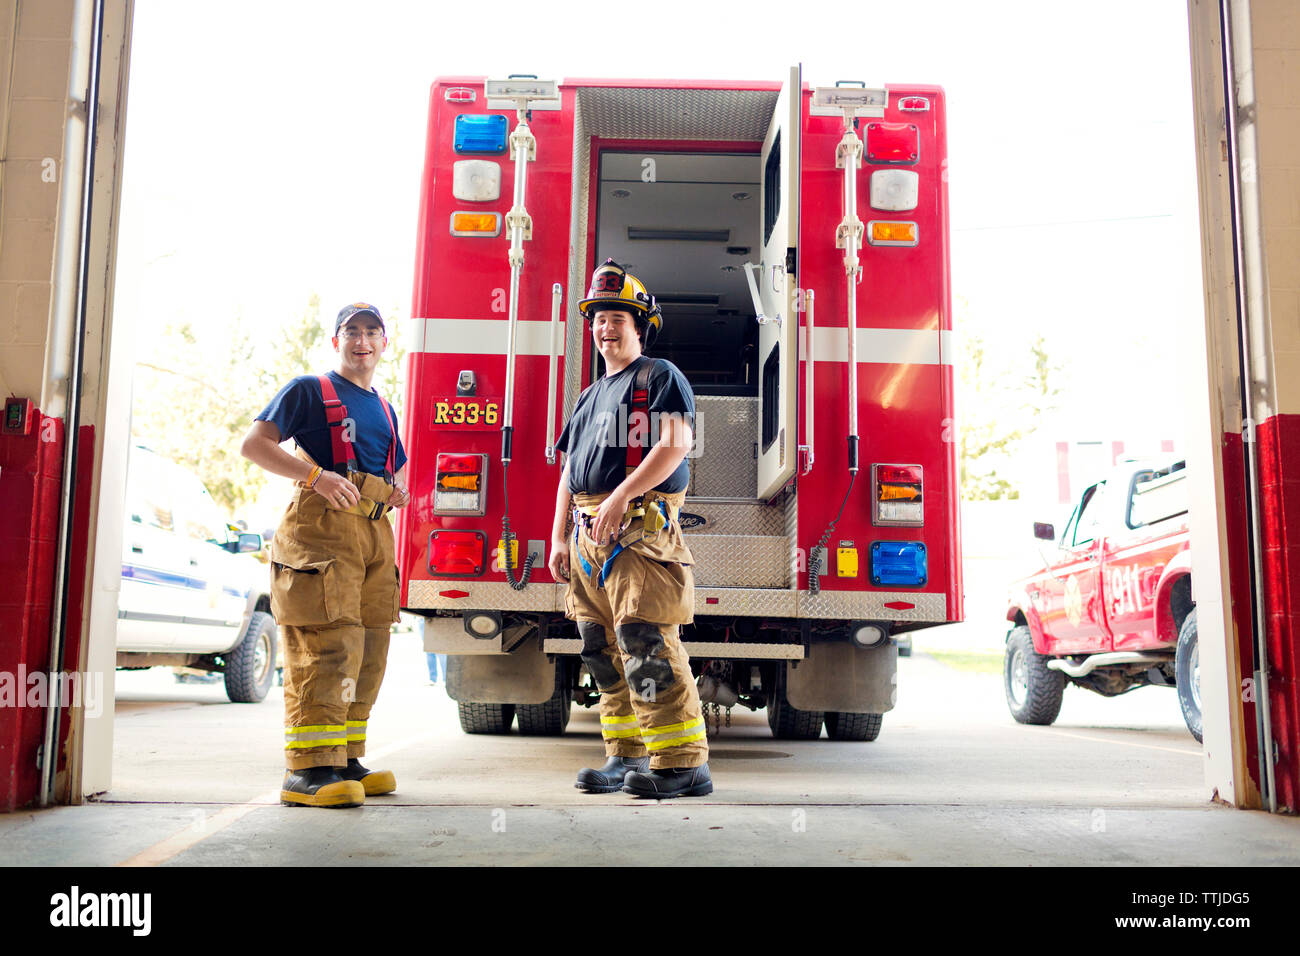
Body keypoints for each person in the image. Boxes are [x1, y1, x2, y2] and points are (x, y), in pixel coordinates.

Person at [548, 259, 712, 799]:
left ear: (640, 325)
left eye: (618, 316)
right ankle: (624, 755)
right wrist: (557, 539)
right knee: (601, 648)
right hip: (589, 538)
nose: (605, 327)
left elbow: (675, 444)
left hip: (638, 533)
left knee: (646, 643)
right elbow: (570, 472)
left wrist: (622, 496)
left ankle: (683, 763)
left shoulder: (660, 377)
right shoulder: (589, 396)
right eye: (598, 318)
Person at [240, 302, 410, 808]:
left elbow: (394, 468)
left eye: (372, 332)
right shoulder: (308, 390)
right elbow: (254, 445)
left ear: (384, 344)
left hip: (373, 535)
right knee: (326, 644)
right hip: (321, 533)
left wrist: (396, 491)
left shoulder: (383, 405)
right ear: (336, 341)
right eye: (351, 332)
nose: (362, 341)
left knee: (369, 649)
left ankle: (345, 756)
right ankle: (308, 771)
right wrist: (315, 476)